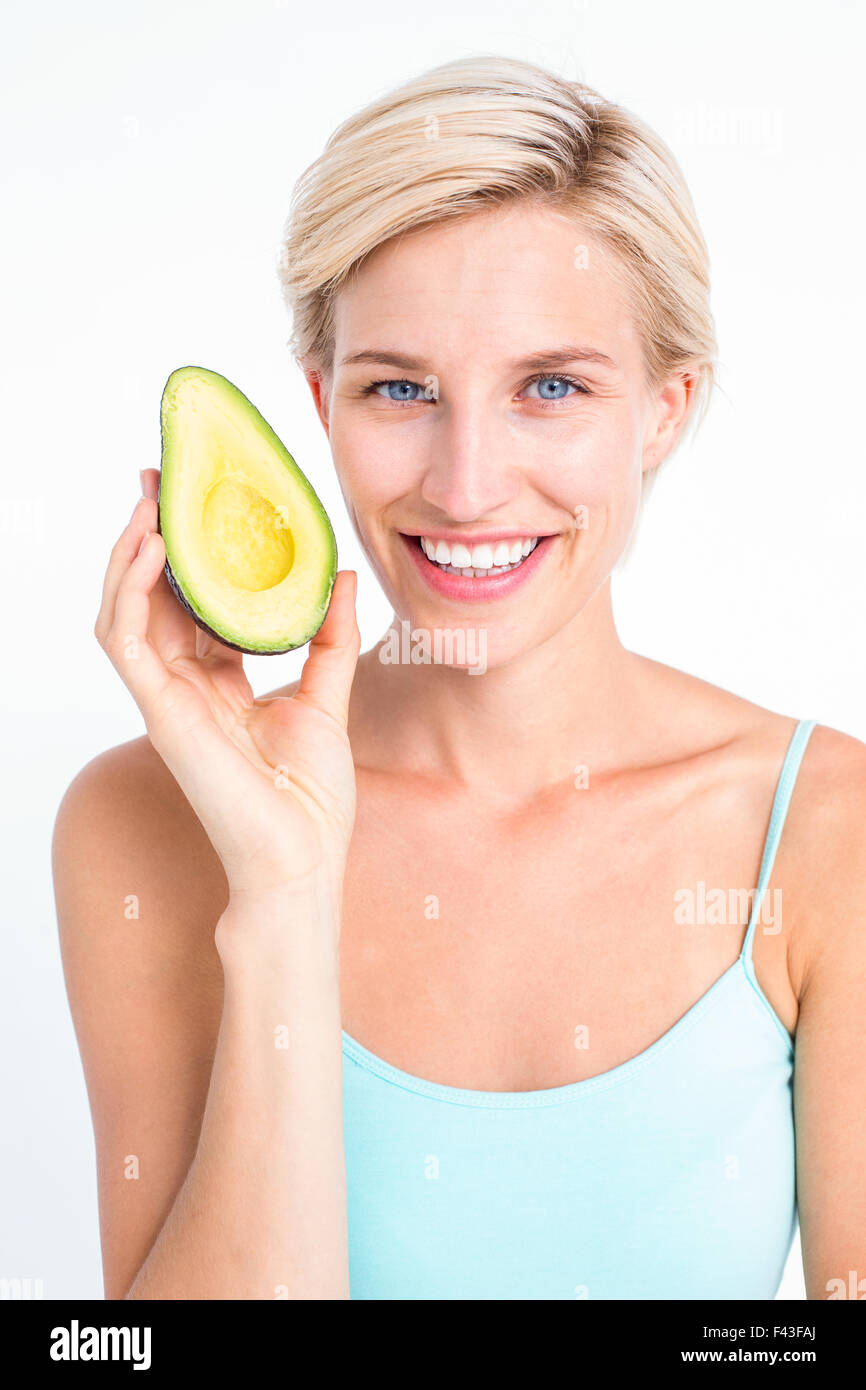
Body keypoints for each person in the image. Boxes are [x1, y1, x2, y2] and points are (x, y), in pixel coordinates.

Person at [53, 54, 866, 1300]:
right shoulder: (147, 820)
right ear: (320, 402)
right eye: (399, 388)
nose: (466, 483)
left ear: (664, 408)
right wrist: (282, 889)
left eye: (550, 387)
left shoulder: (823, 828)